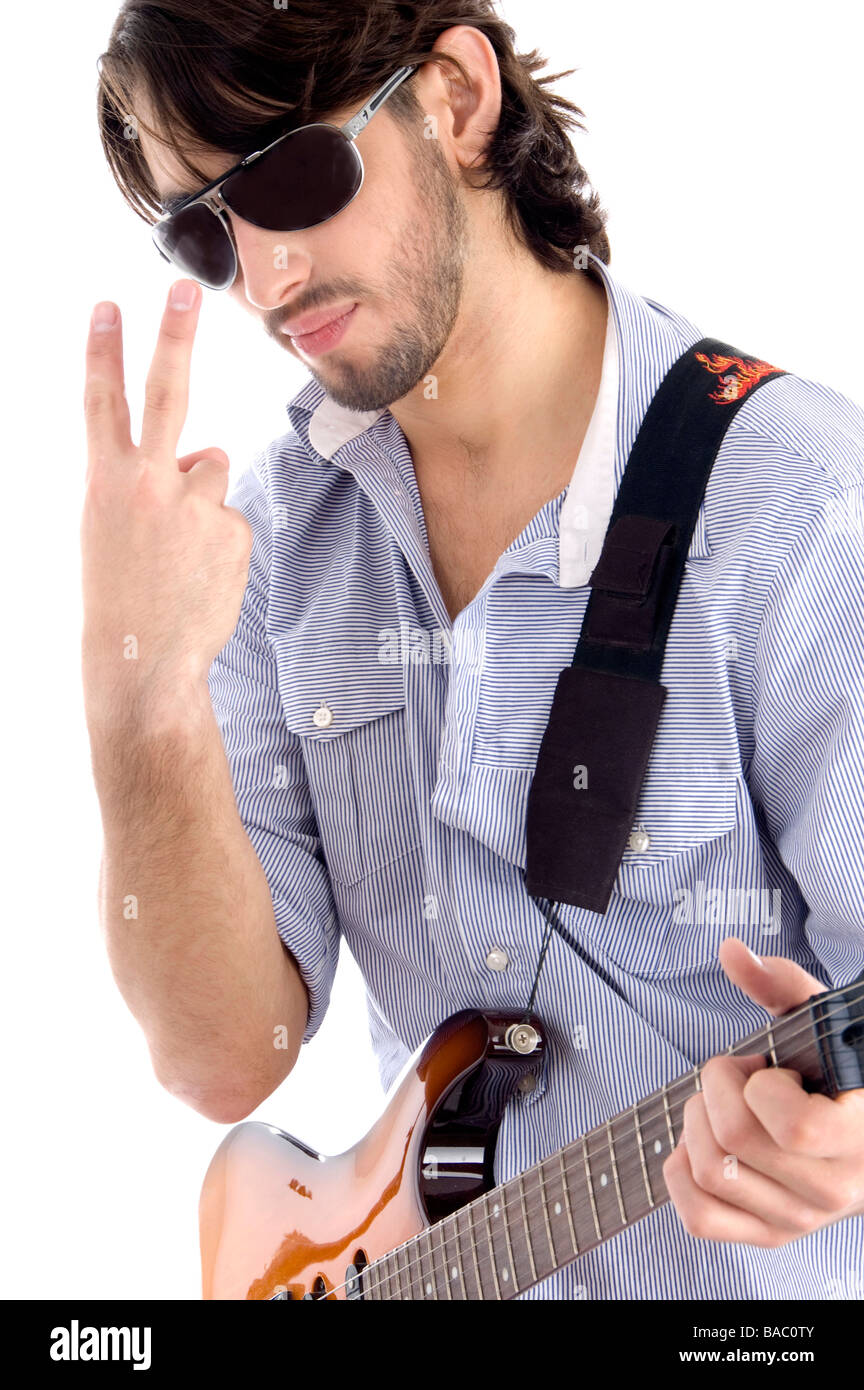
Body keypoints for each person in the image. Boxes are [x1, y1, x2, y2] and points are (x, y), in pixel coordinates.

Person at [82, 0, 864, 1299]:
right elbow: (226, 1058)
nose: (264, 277)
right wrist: (138, 703)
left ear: (451, 95)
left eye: (288, 176)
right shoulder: (268, 540)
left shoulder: (799, 509)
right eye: (205, 227)